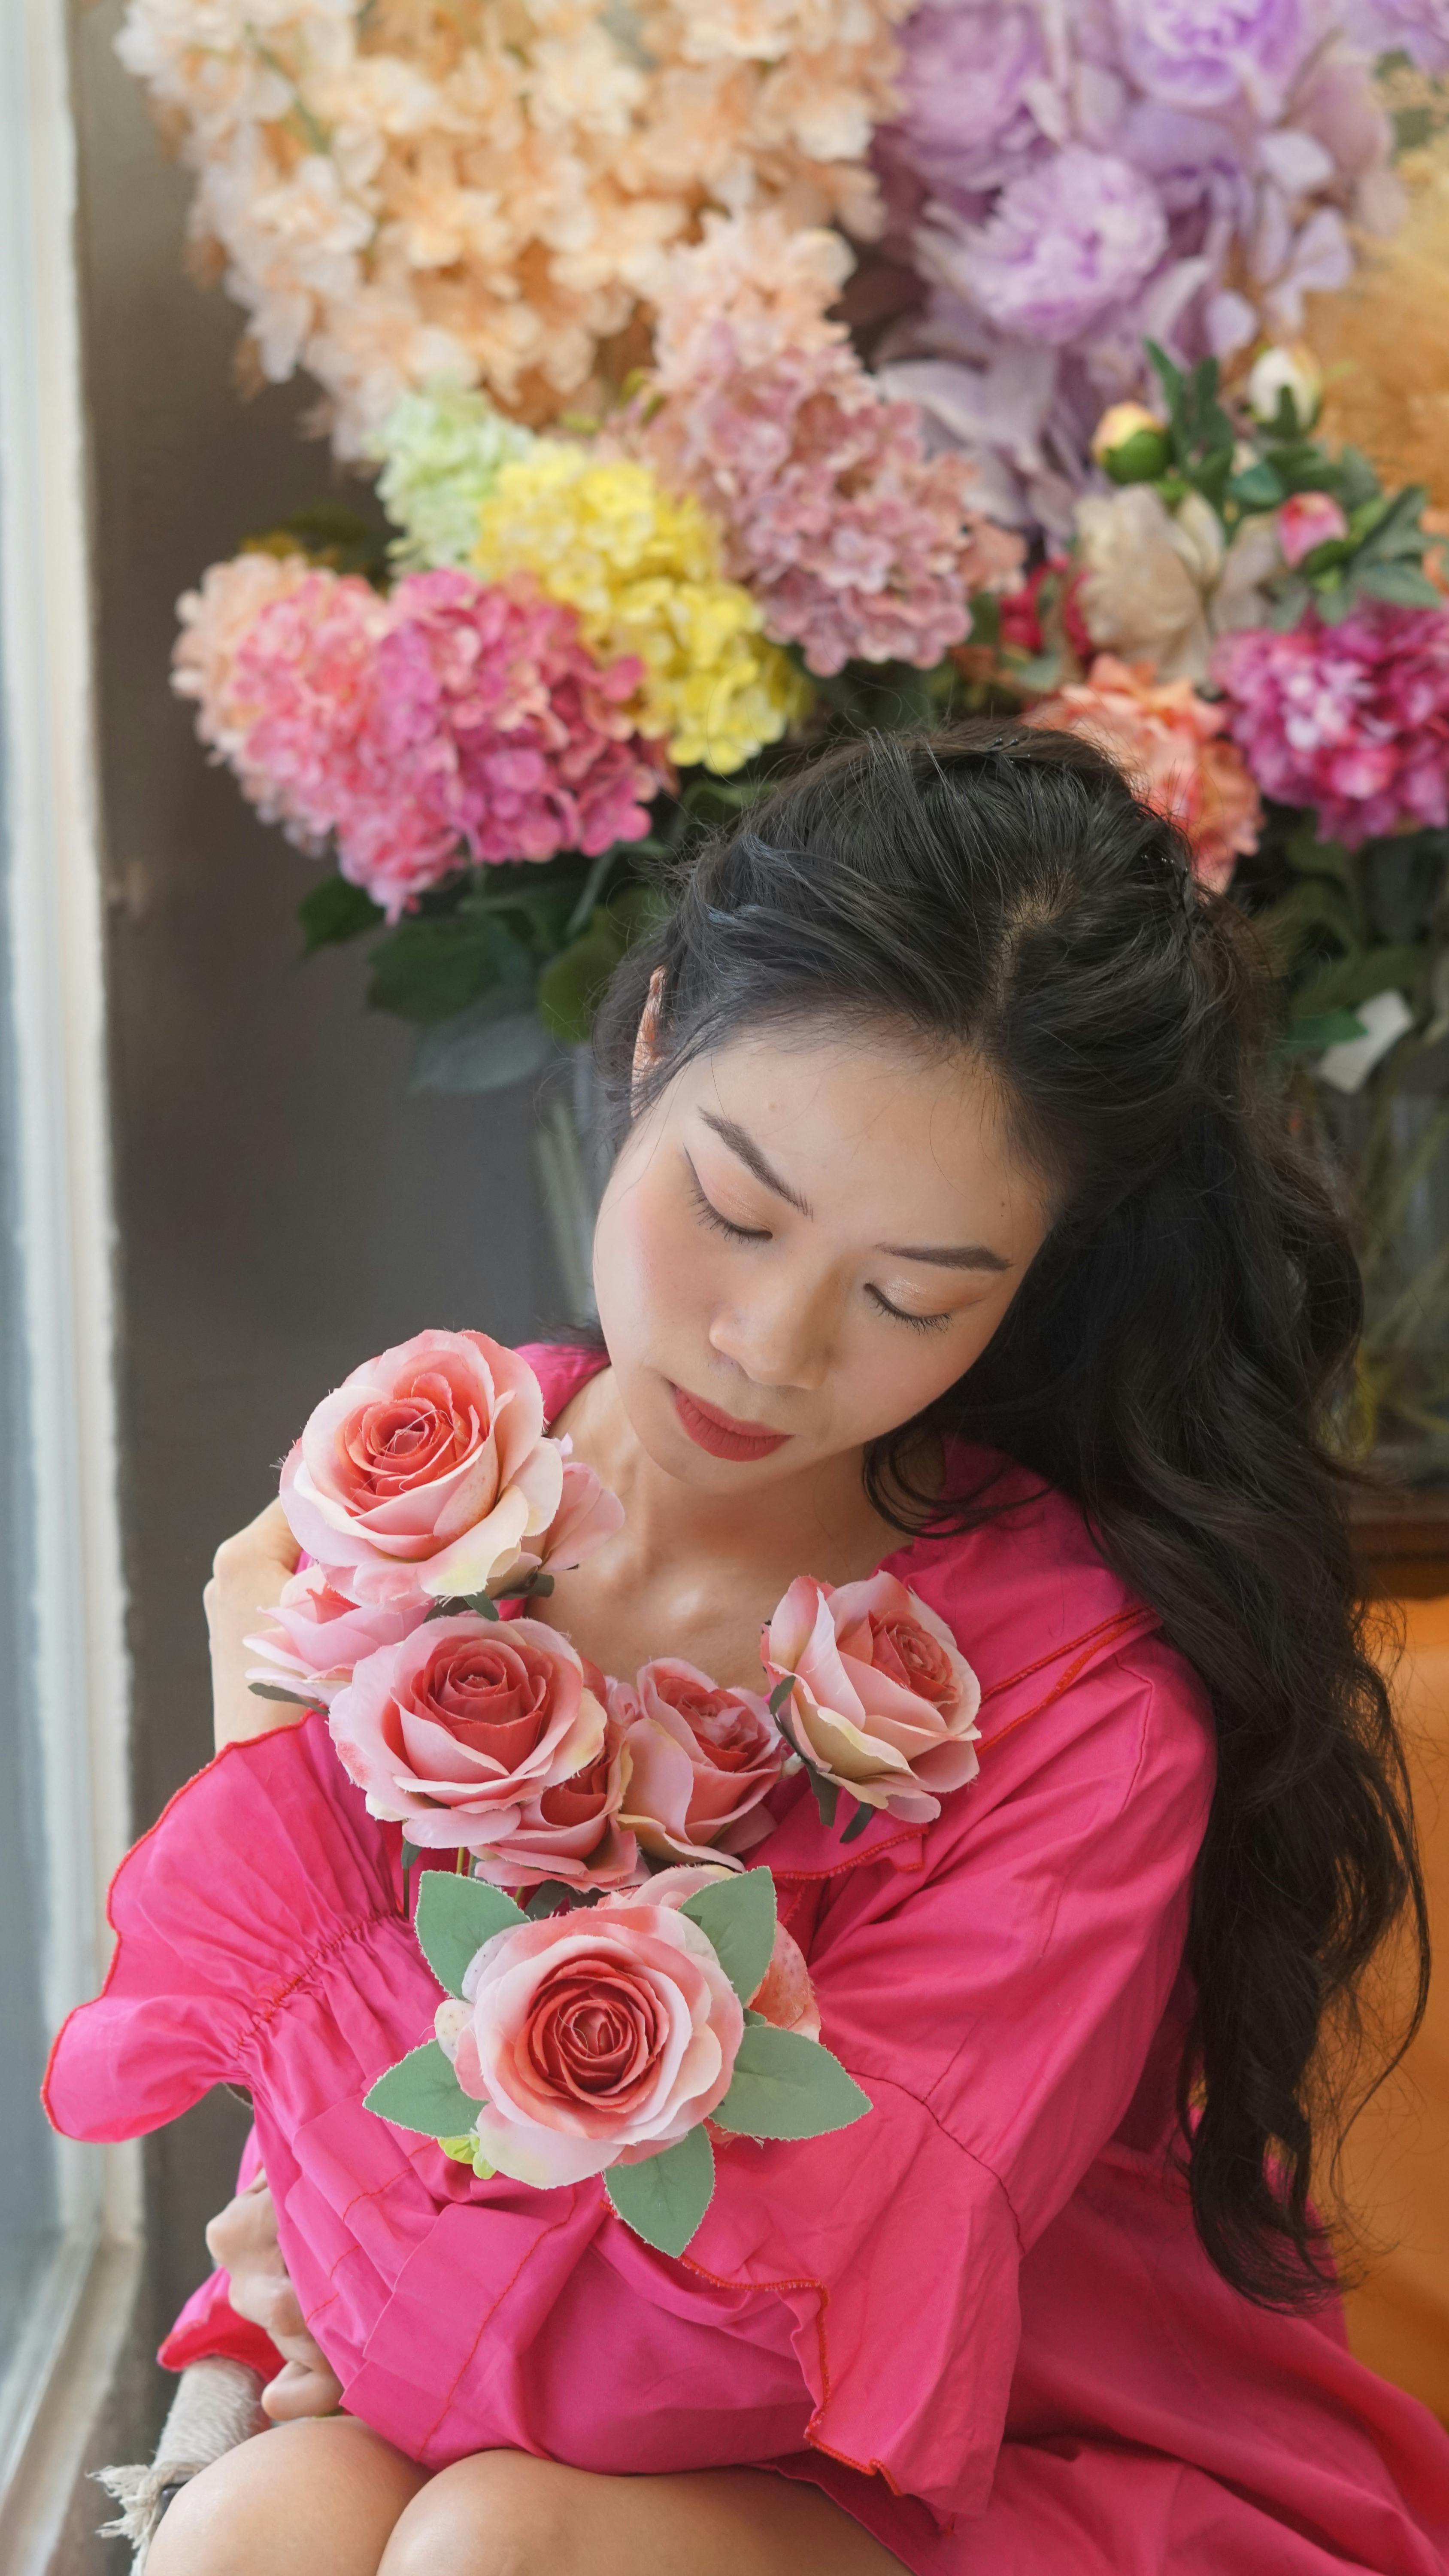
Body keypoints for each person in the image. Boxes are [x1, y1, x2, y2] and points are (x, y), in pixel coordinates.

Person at [46, 728, 1449, 2575]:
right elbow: (308, 2180)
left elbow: (719, 2358)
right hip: (511, 2404)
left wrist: (274, 1780)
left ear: (1036, 1274)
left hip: (1032, 2445)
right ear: (648, 1052)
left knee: (495, 2548)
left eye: (908, 1297)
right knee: (265, 2524)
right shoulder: (425, 1486)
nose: (768, 1348)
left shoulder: (1092, 1700)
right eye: (731, 1209)